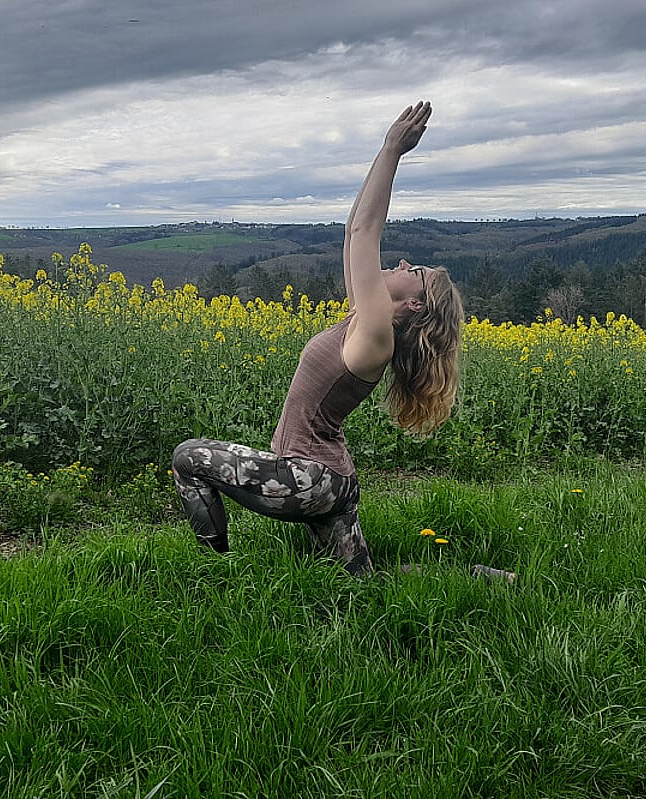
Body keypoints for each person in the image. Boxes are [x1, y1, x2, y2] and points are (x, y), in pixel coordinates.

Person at [171, 101, 465, 575]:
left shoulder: (376, 335)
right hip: (332, 481)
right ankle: (492, 579)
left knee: (188, 457)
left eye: (419, 274)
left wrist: (393, 149)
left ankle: (214, 569)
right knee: (368, 584)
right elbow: (354, 233)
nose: (406, 264)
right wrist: (385, 151)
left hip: (309, 479)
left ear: (416, 305)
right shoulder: (365, 319)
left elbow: (368, 230)